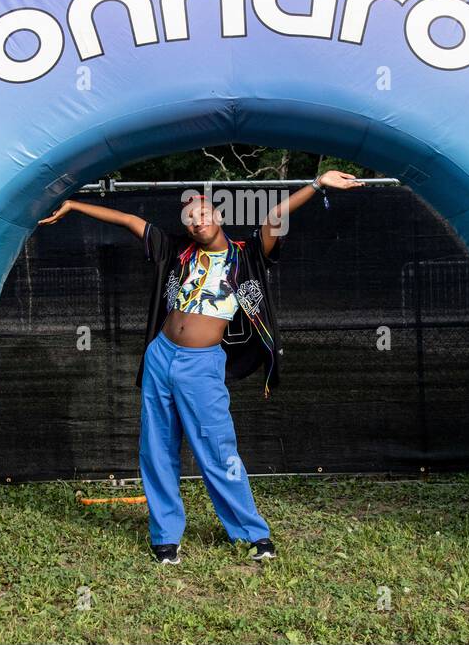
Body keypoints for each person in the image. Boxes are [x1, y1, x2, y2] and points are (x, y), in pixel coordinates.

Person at [38, 171, 364, 563]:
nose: (197, 221)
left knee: (217, 448)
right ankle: (165, 537)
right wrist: (74, 205)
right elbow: (128, 220)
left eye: (203, 213)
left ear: (219, 216)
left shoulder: (246, 254)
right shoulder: (175, 250)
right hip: (160, 356)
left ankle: (252, 533)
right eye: (190, 218)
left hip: (201, 364)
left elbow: (275, 216)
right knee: (156, 448)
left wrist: (317, 183)